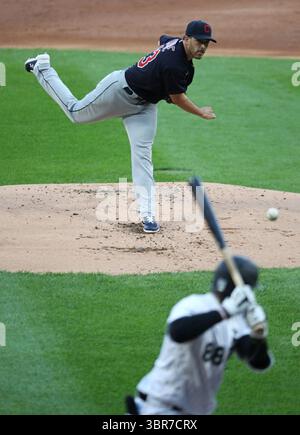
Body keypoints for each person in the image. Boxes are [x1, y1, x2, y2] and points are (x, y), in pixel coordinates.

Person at [24, 20, 217, 234]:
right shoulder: (175, 65)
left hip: (143, 108)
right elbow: (177, 98)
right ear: (187, 38)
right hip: (117, 91)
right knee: (76, 113)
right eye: (199, 42)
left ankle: (147, 215)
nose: (203, 47)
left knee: (143, 155)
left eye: (207, 44)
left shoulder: (175, 48)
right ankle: (42, 69)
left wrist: (154, 70)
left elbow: (163, 38)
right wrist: (200, 112)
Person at [125, 256, 273, 415]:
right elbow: (178, 332)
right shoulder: (194, 304)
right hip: (159, 408)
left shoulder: (237, 321)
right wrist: (225, 312)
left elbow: (258, 362)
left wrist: (258, 336)